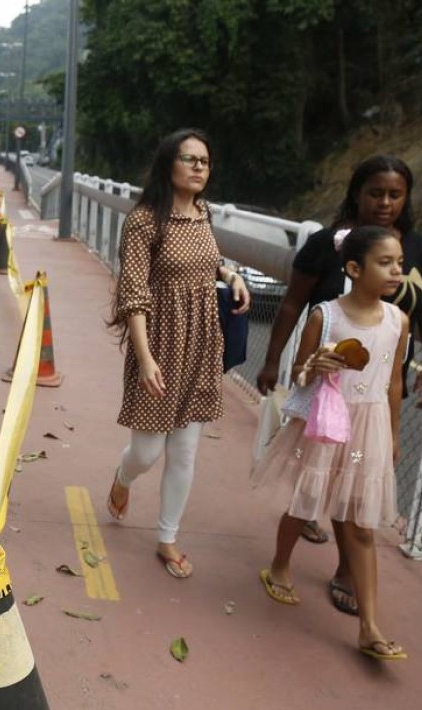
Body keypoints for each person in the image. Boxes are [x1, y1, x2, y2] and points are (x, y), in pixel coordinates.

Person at [255, 155, 422, 614]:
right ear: (356, 193)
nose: (385, 202)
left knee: (358, 488)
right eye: (375, 192)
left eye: (395, 194)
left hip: (377, 398)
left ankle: (348, 572)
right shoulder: (327, 245)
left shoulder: (417, 250)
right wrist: (274, 359)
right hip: (328, 398)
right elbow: (293, 303)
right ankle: (290, 555)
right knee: (320, 483)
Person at [255, 225, 410, 660]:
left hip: (369, 430)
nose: (397, 271)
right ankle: (280, 565)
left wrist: (394, 434)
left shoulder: (398, 320)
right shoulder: (326, 316)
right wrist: (314, 365)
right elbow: (299, 375)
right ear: (355, 268)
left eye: (399, 263)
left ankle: (370, 627)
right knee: (306, 500)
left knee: (361, 523)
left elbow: (395, 381)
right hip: (326, 425)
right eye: (386, 263)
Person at [104, 128, 250, 579]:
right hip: (160, 342)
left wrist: (231, 273)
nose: (199, 168)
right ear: (169, 164)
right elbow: (133, 291)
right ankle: (123, 477)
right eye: (189, 159)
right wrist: (145, 358)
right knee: (147, 451)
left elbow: (208, 260)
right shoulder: (146, 220)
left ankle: (167, 537)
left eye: (204, 161)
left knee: (185, 451)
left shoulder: (202, 212)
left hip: (201, 342)